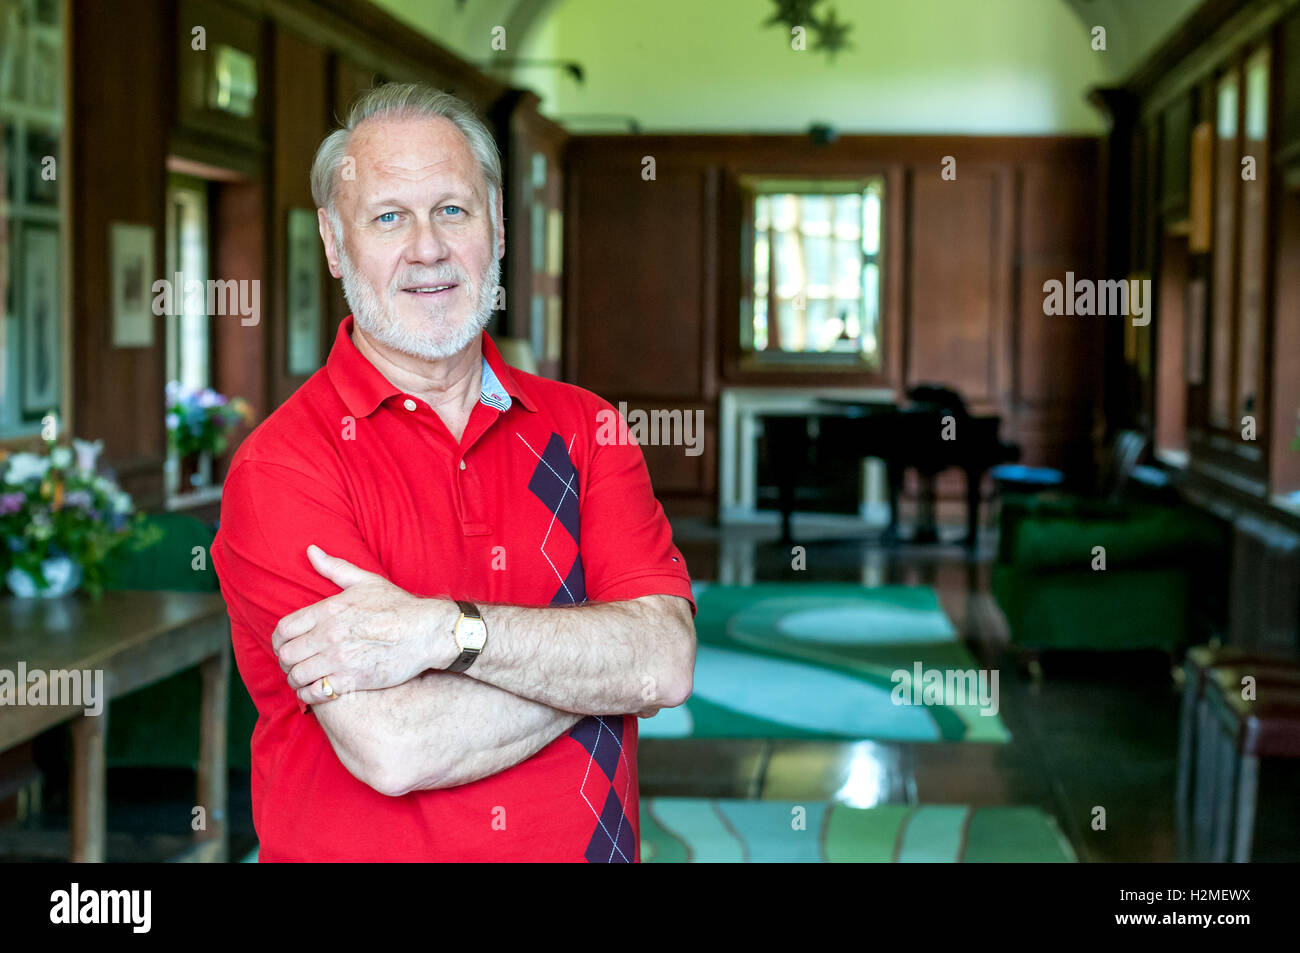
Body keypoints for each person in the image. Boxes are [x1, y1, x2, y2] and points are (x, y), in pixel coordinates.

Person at [212, 83, 696, 862]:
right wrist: (593, 664)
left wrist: (444, 630)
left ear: (498, 226)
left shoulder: (590, 428)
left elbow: (666, 660)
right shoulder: (283, 467)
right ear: (336, 244)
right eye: (389, 217)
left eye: (453, 209)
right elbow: (397, 745)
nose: (428, 248)